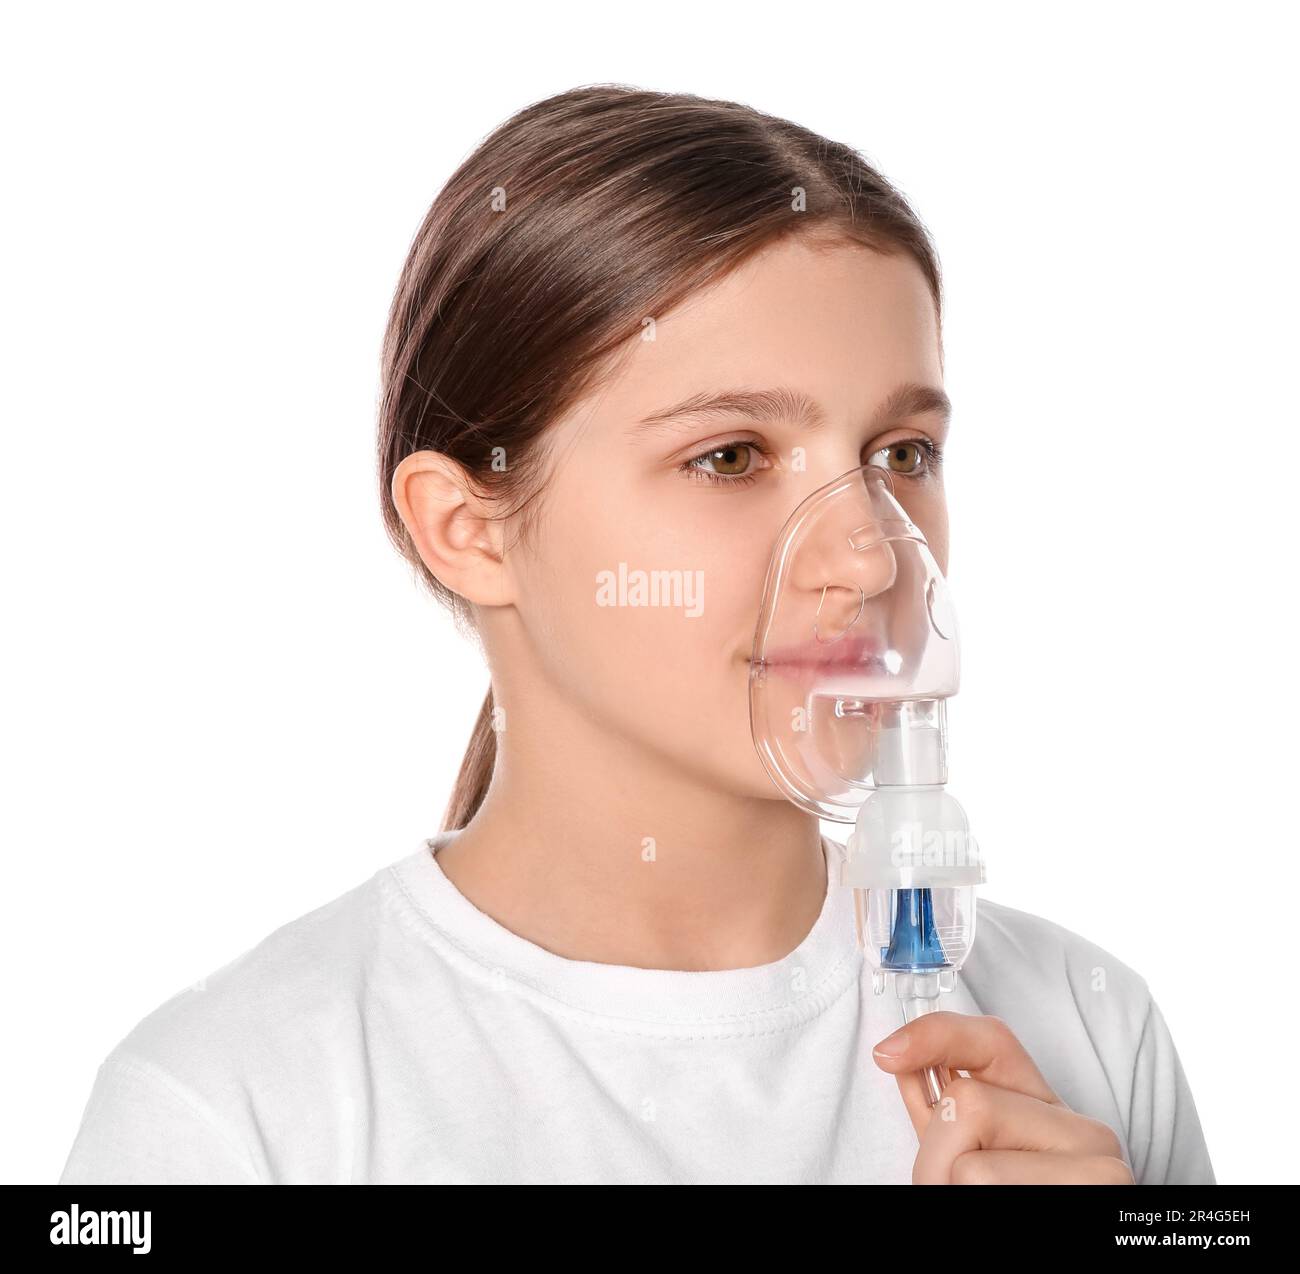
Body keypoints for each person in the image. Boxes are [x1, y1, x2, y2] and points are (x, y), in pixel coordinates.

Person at [57, 84, 1214, 1185]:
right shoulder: (233, 1109)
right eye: (731, 457)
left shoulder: (1087, 1031)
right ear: (470, 528)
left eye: (901, 453)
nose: (869, 555)